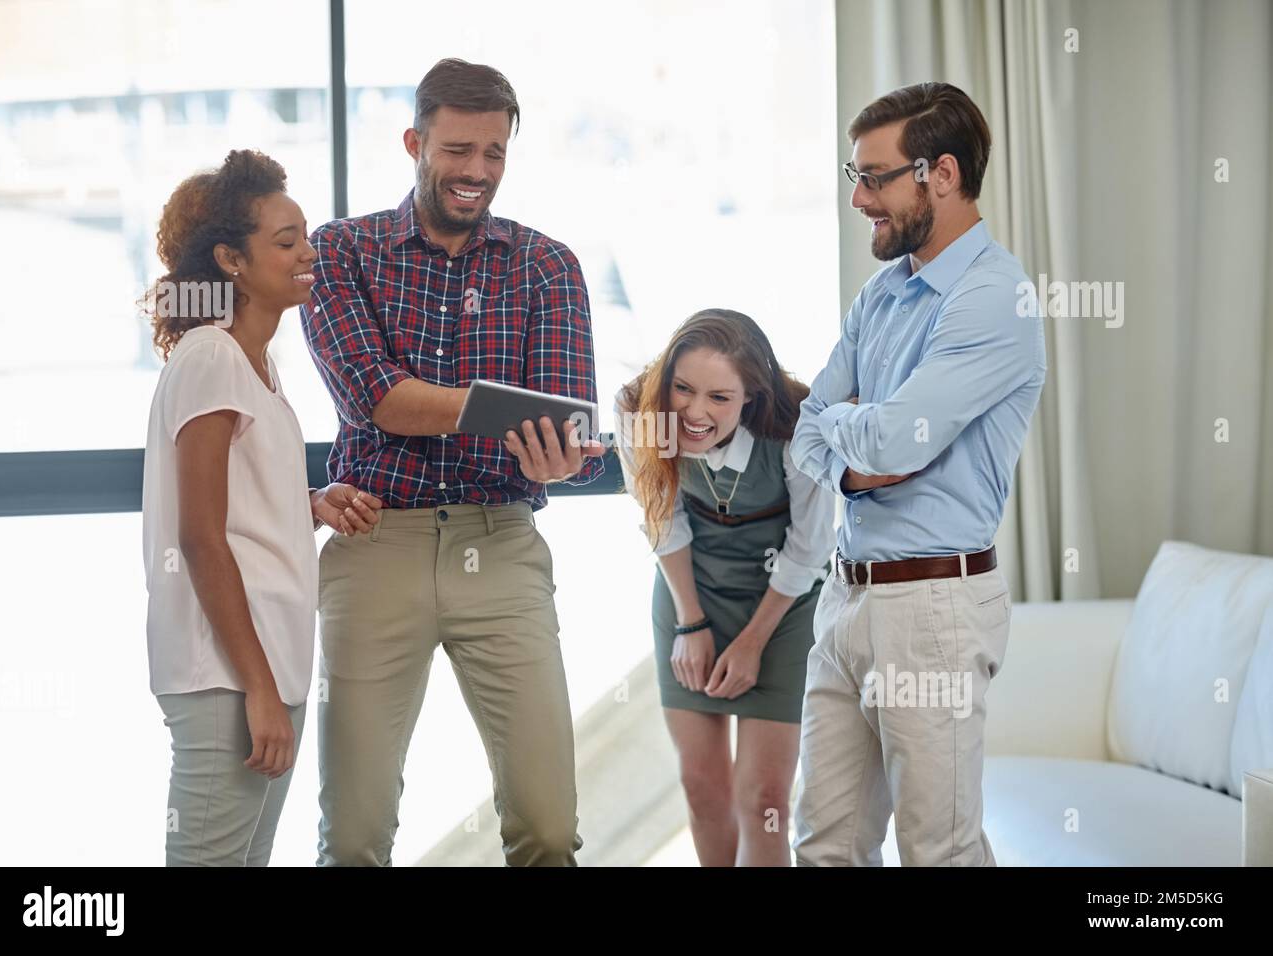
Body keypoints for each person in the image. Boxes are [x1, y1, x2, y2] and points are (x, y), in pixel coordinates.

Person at [300, 58, 605, 867]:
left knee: (546, 826)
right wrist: (500, 406)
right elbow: (380, 398)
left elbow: (566, 428)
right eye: (459, 150)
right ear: (414, 142)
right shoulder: (340, 253)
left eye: (495, 153)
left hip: (501, 544)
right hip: (375, 547)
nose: (477, 172)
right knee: (355, 837)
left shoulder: (548, 265)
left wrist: (556, 461)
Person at [789, 82, 1047, 866]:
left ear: (939, 173)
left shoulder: (995, 297)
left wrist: (862, 434)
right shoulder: (882, 293)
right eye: (854, 176)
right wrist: (853, 452)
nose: (860, 198)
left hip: (931, 608)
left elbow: (896, 441)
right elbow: (807, 433)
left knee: (938, 849)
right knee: (824, 844)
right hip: (844, 597)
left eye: (875, 177)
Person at [142, 149, 383, 866]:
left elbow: (235, 507)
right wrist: (258, 689)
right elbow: (200, 537)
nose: (309, 252)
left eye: (304, 234)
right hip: (229, 676)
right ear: (231, 260)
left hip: (264, 668)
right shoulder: (211, 355)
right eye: (286, 241)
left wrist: (309, 502)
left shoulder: (257, 364)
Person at [615, 309, 834, 866]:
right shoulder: (637, 410)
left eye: (719, 398)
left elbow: (809, 548)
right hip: (690, 593)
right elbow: (663, 520)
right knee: (702, 787)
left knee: (763, 798)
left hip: (782, 609)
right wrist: (691, 622)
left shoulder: (794, 426)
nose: (693, 412)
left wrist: (753, 642)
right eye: (682, 389)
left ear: (751, 399)